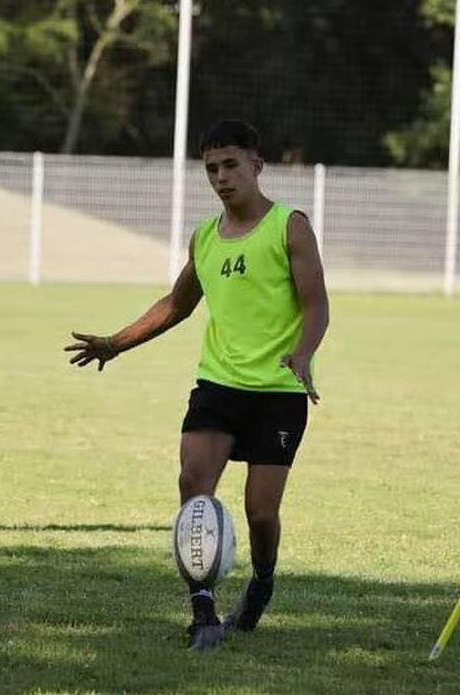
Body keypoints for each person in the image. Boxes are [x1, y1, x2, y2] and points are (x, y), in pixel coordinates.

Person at [64, 119, 329, 650]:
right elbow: (177, 305)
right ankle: (203, 610)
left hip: (278, 391)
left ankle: (262, 583)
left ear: (257, 165)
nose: (221, 177)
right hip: (219, 385)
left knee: (260, 511)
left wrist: (302, 355)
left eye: (231, 165)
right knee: (193, 484)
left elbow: (316, 305)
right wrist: (115, 343)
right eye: (211, 168)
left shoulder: (289, 226)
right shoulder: (206, 237)